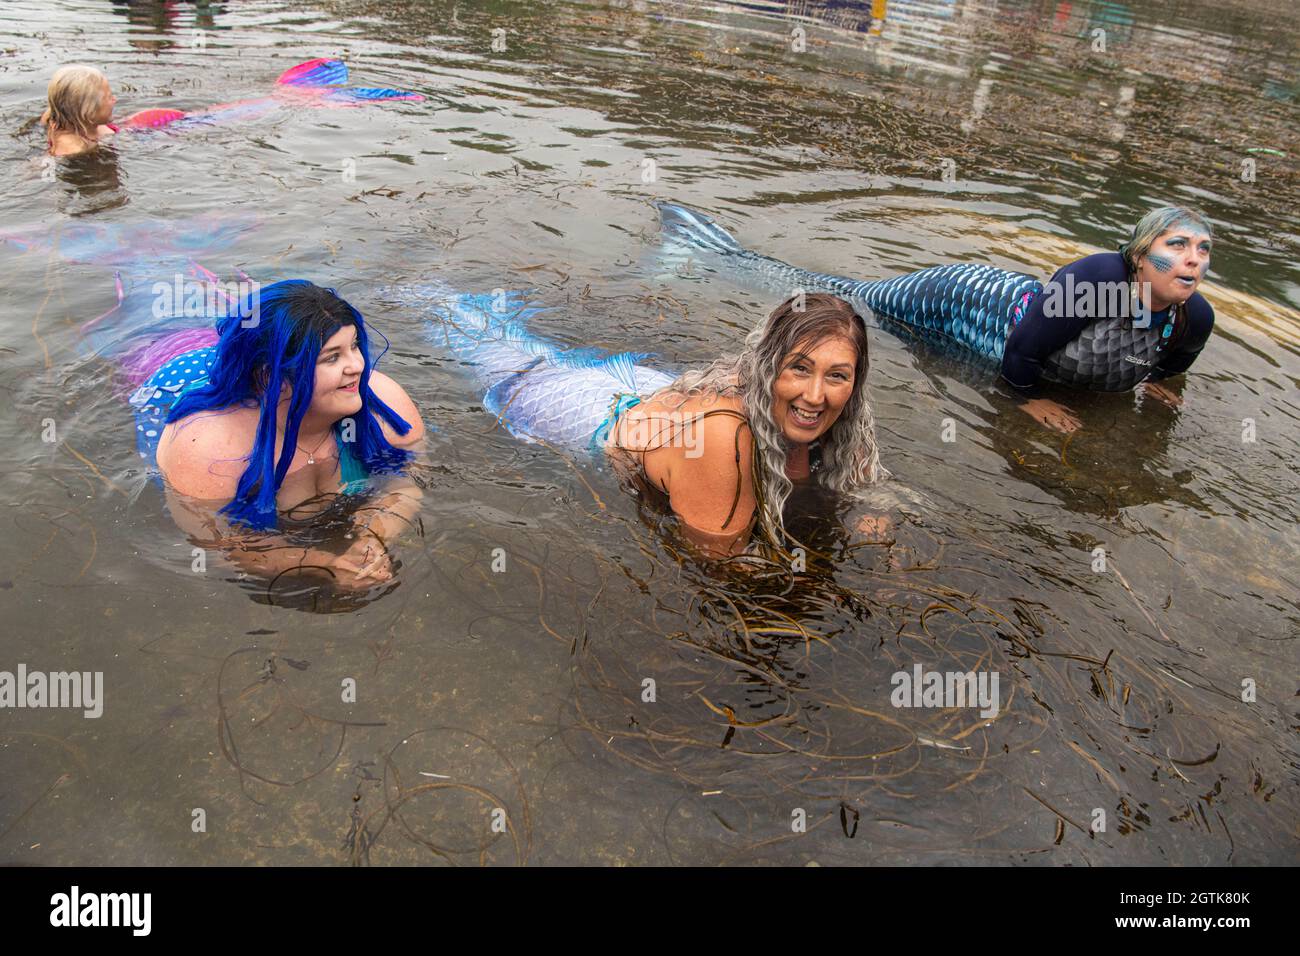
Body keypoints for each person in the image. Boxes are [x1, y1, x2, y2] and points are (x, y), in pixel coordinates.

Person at [134, 280, 425, 588]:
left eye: (354, 346)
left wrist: (373, 535)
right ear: (270, 377)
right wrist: (324, 564)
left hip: (259, 361)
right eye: (332, 357)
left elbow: (408, 484)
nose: (357, 365)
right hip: (166, 376)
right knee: (143, 328)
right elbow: (221, 544)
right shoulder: (207, 446)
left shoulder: (385, 404)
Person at [606, 293, 888, 557]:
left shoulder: (845, 416)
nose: (815, 397)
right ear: (767, 367)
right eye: (799, 368)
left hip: (665, 393)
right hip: (597, 417)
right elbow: (715, 561)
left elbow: (872, 503)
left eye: (836, 375)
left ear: (855, 382)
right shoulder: (724, 435)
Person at [1001, 207, 1216, 432]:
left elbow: (1174, 366)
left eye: (1204, 249)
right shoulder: (1097, 279)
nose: (1194, 259)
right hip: (992, 315)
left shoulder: (1197, 317)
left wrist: (1154, 382)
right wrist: (1027, 397)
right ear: (1139, 256)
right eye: (1178, 244)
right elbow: (1020, 349)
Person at [41, 65, 117, 157]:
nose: (114, 99)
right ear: (89, 112)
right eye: (109, 97)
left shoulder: (55, 116)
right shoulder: (74, 149)